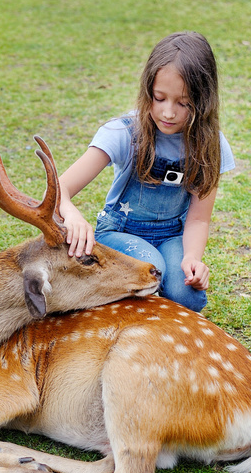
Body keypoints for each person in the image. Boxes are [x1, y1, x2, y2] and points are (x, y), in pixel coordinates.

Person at [57, 31, 235, 312]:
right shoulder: (124, 132)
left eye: (184, 103)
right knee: (155, 268)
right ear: (147, 90)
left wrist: (192, 258)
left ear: (204, 101)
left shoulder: (210, 145)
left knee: (186, 295)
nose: (168, 112)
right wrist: (73, 216)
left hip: (171, 236)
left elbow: (199, 220)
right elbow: (58, 190)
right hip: (119, 232)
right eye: (159, 98)